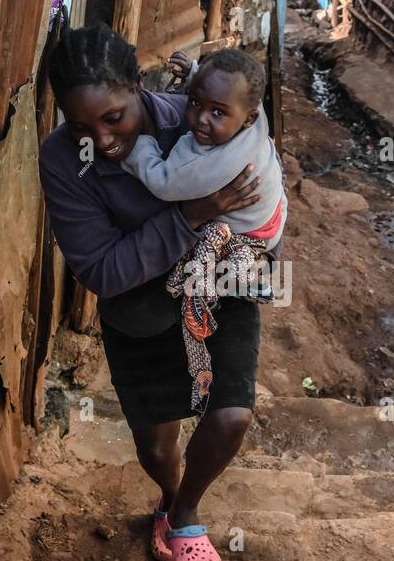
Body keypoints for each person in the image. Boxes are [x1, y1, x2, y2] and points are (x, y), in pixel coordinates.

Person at [38, 24, 266, 561]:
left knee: (231, 416)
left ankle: (185, 515)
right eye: (80, 125)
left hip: (217, 288)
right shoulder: (63, 162)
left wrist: (249, 243)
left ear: (138, 85)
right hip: (139, 309)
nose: (103, 139)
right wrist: (189, 217)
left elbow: (258, 179)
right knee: (158, 445)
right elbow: (102, 270)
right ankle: (168, 494)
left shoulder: (194, 121)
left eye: (114, 118)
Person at [119, 48, 287, 411]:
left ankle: (240, 280)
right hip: (270, 213)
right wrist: (196, 72)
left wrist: (140, 147)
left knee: (188, 260)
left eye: (218, 112)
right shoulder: (254, 123)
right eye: (195, 101)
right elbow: (218, 95)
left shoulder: (211, 164)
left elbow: (162, 182)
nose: (200, 119)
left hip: (246, 236)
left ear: (247, 118)